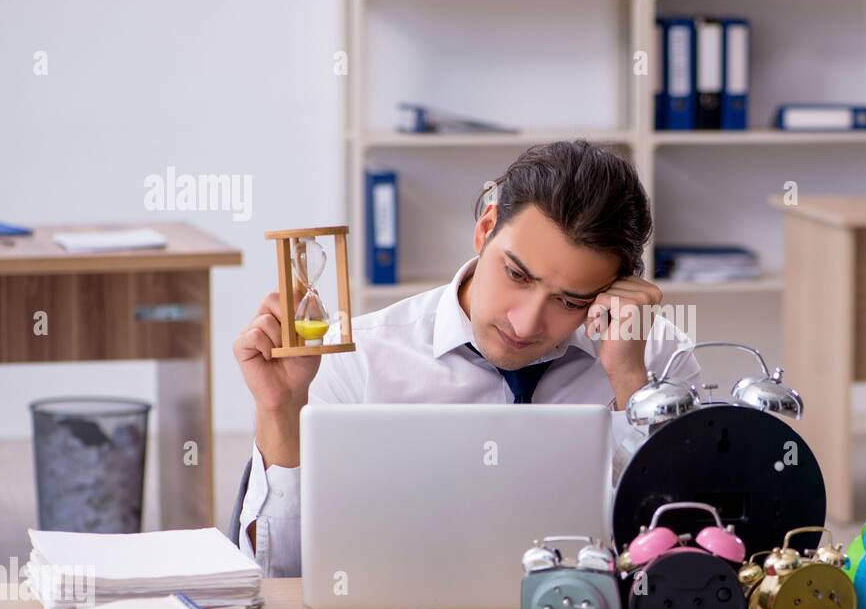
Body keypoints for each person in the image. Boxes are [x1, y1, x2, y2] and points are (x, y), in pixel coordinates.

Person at [232, 140, 699, 576]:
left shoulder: (656, 359)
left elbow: (689, 556)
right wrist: (281, 410)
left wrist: (630, 384)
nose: (525, 324)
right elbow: (282, 577)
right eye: (517, 275)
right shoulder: (357, 357)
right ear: (484, 228)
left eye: (570, 301)